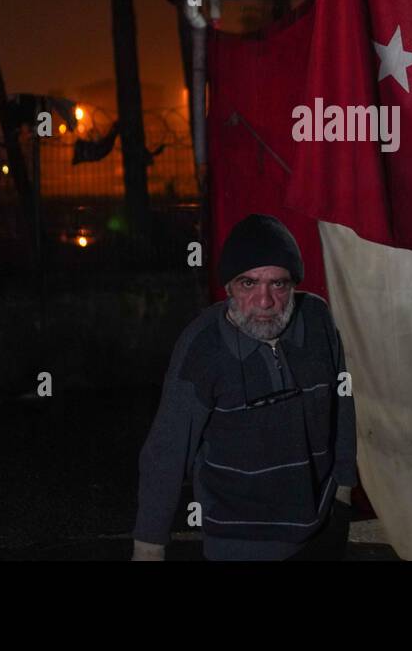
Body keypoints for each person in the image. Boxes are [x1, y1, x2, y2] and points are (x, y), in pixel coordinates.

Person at [132, 214, 357, 561]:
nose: (265, 302)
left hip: (322, 526)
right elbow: (167, 449)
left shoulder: (317, 320)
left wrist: (343, 490)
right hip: (239, 541)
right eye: (249, 284)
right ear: (228, 287)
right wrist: (149, 547)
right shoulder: (202, 347)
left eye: (278, 285)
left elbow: (343, 403)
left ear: (294, 284)